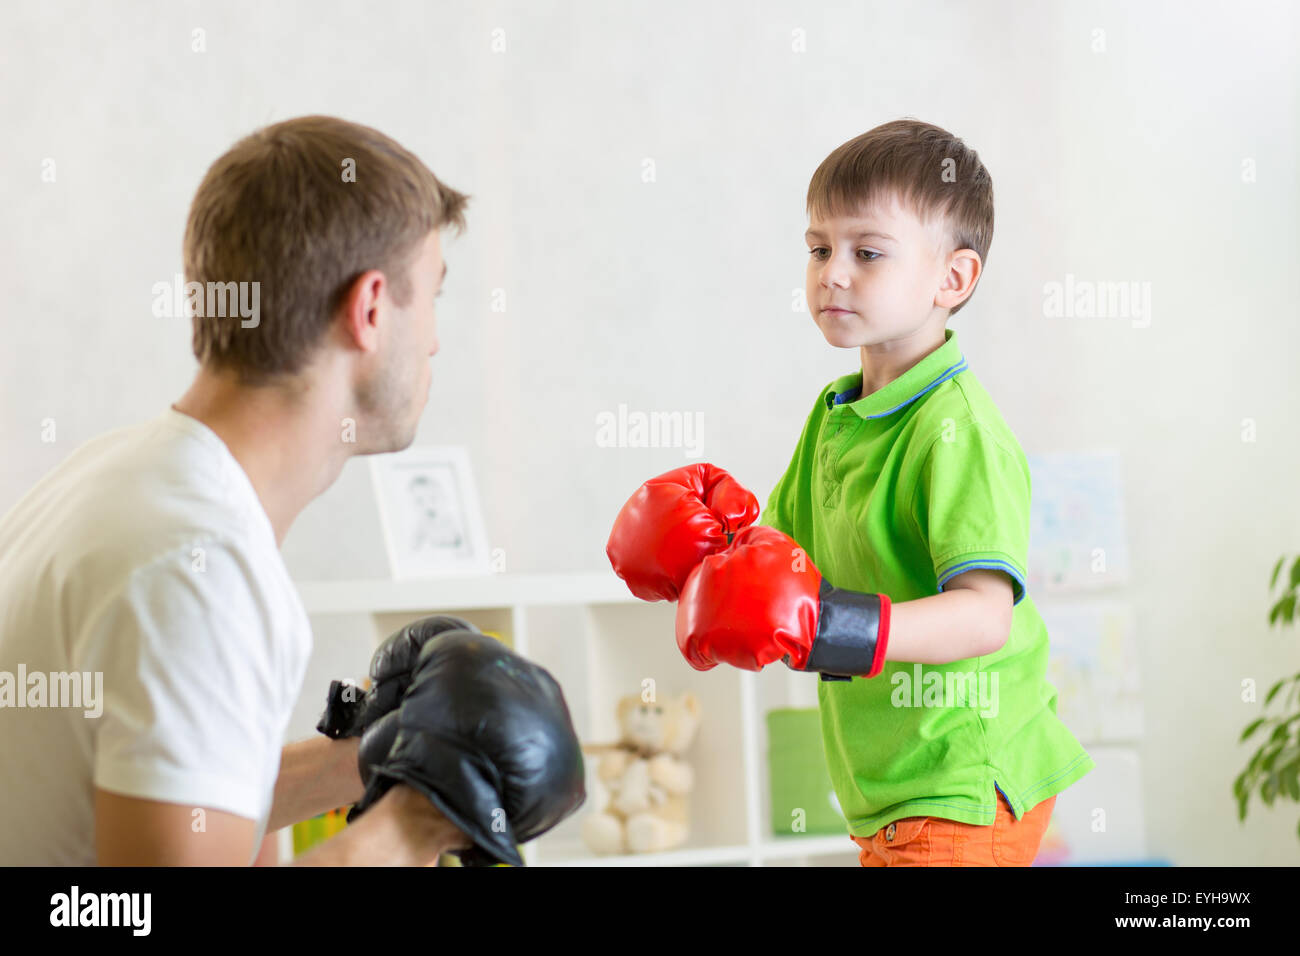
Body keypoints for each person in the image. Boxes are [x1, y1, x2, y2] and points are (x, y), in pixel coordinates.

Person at [0, 115, 583, 866]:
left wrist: (373, 756)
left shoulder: (115, 483)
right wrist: (413, 822)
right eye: (433, 297)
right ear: (371, 308)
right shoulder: (196, 569)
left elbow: (169, 804)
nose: (436, 340)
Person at [608, 118, 1093, 867]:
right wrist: (702, 549)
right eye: (819, 248)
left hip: (961, 777)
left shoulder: (957, 432)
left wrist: (839, 628)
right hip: (888, 789)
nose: (833, 271)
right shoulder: (838, 417)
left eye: (867, 252)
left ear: (953, 279)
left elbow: (984, 617)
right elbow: (783, 557)